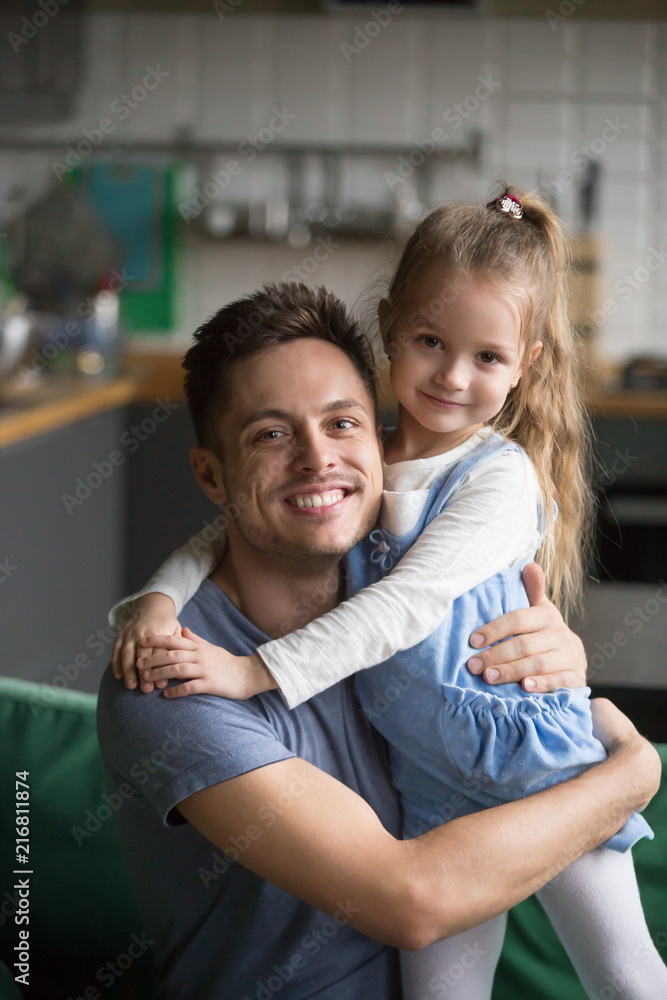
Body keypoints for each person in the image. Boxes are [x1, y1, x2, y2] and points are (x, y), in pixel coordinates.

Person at [108, 193, 667, 998]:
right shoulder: (174, 679)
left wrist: (566, 666)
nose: (319, 460)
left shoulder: (488, 476)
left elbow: (413, 602)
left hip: (523, 750)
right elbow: (414, 903)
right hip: (431, 789)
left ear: (525, 365)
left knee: (625, 978)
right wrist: (152, 608)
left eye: (340, 424)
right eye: (272, 433)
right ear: (392, 331)